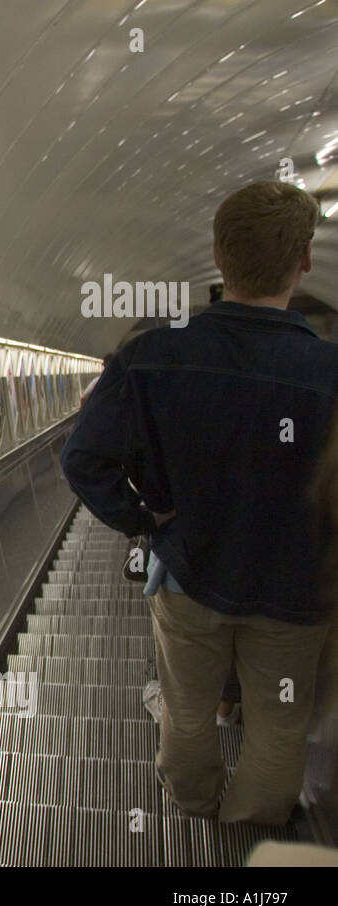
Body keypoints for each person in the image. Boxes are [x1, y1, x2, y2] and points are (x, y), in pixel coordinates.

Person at [62, 181, 338, 826]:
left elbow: (83, 460)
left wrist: (142, 520)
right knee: (279, 724)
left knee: (187, 709)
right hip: (298, 593)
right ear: (302, 259)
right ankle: (248, 828)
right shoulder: (330, 374)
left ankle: (193, 803)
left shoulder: (151, 358)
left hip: (189, 576)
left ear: (219, 255)